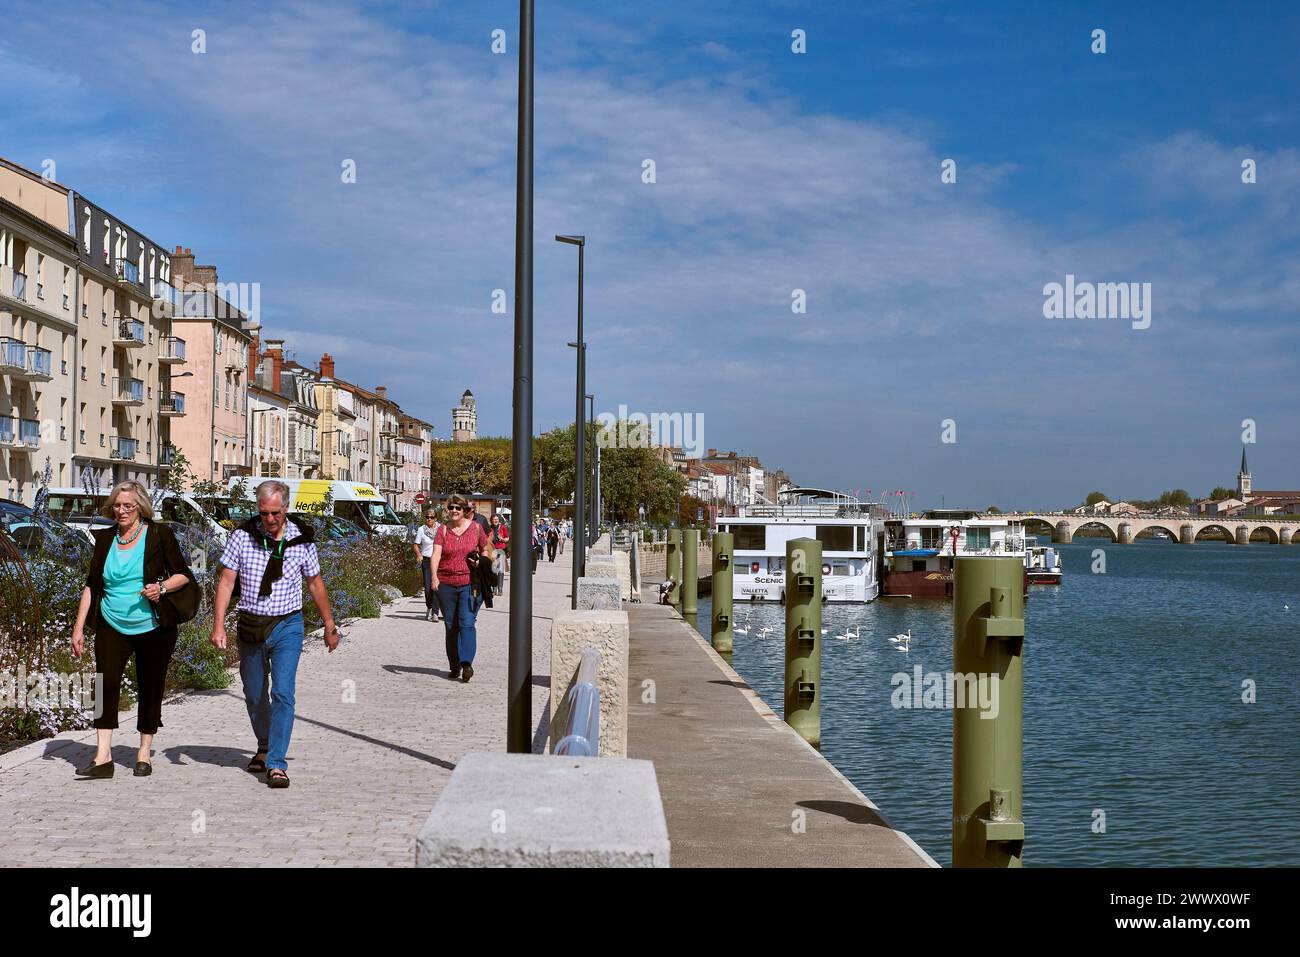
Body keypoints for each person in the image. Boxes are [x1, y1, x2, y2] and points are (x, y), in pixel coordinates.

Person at [211, 480, 340, 789]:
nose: (269, 519)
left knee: (282, 692)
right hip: (251, 625)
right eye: (263, 513)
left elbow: (314, 583)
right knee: (255, 694)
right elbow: (226, 582)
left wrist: (329, 624)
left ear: (286, 508)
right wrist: (218, 625)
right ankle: (265, 745)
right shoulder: (243, 537)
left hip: (287, 625)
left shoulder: (301, 540)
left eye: (275, 513)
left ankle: (277, 764)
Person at [70, 481, 196, 779]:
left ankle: (143, 752)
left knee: (150, 686)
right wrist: (78, 628)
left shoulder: (159, 534)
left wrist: (161, 588)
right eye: (117, 505)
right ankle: (103, 757)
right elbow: (92, 585)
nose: (122, 510)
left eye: (128, 505)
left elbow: (183, 575)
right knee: (104, 685)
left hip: (152, 626)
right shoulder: (105, 539)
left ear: (140, 507)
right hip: (111, 623)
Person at [431, 494, 495, 682]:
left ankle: (466, 663)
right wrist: (434, 577)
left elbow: (485, 549)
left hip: (469, 583)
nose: (454, 510)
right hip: (446, 584)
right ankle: (454, 665)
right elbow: (436, 554)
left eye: (458, 507)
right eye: (451, 507)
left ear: (464, 510)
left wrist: (481, 560)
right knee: (451, 626)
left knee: (466, 622)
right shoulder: (443, 530)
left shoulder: (476, 528)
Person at [412, 509, 442, 621]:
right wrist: (418, 554)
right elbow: (416, 544)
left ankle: (435, 612)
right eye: (427, 517)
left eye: (431, 517)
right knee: (428, 587)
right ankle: (429, 607)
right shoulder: (421, 530)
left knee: (436, 586)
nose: (429, 519)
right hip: (427, 560)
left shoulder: (441, 529)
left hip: (439, 560)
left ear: (436, 518)